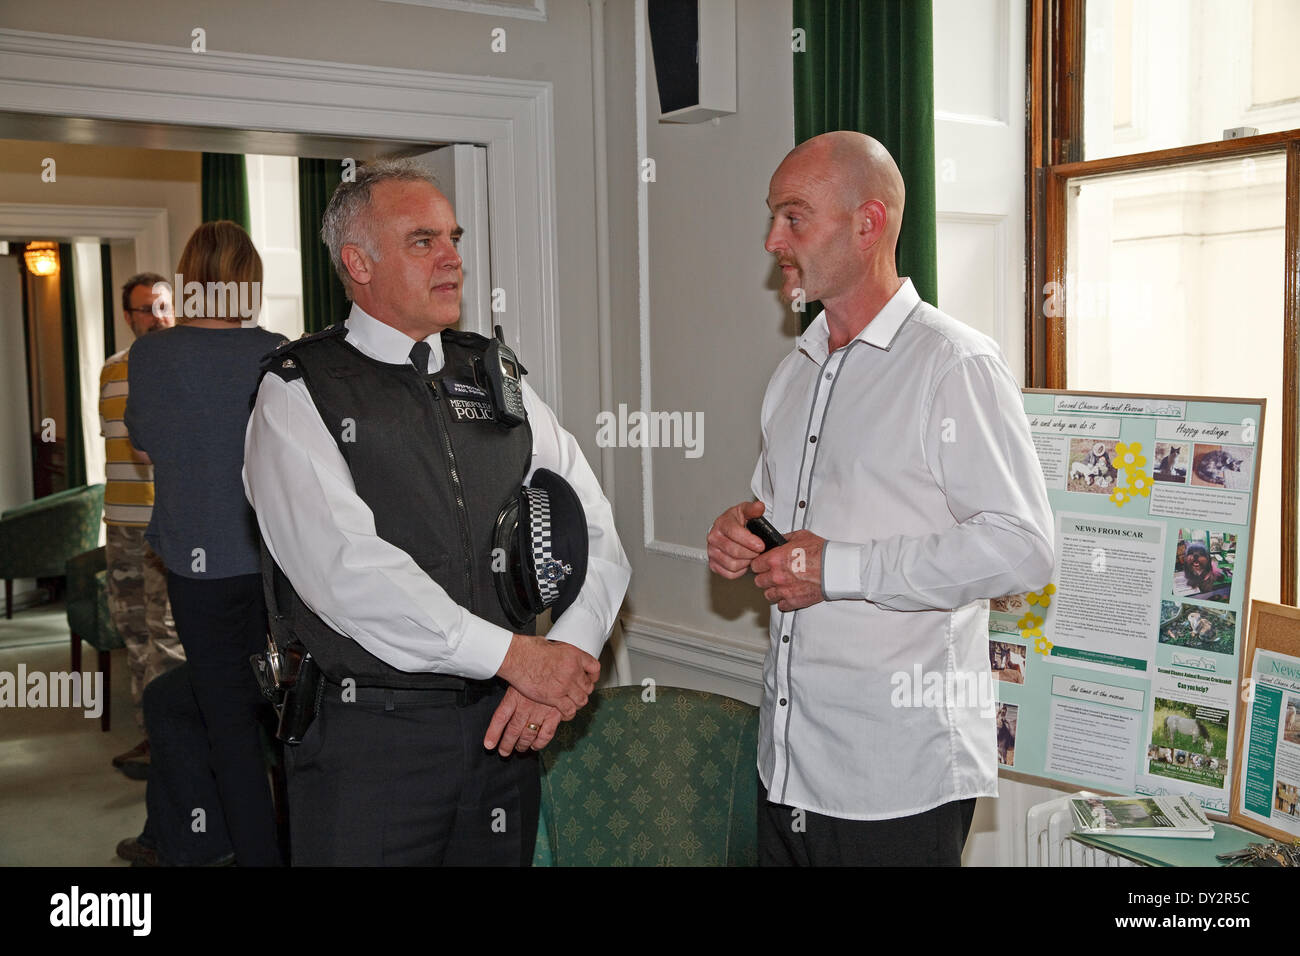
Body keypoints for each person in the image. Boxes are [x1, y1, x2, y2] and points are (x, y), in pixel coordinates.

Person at [243, 159, 630, 866]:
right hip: (373, 742)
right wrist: (519, 658)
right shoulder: (302, 390)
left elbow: (592, 526)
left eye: (451, 237)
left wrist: (571, 648)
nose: (452, 257)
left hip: (506, 730)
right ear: (358, 263)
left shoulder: (493, 374)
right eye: (423, 241)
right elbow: (348, 573)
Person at [706, 131, 1054, 866]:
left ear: (868, 225)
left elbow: (1022, 546)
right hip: (790, 764)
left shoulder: (953, 364)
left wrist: (840, 568)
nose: (773, 239)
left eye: (793, 217)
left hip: (900, 778)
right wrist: (744, 532)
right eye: (772, 217)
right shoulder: (793, 371)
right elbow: (788, 525)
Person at [124, 221, 287, 867]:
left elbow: (143, 447)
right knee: (291, 723)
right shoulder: (278, 350)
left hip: (200, 569)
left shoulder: (153, 353)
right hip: (277, 569)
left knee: (230, 733)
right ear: (248, 278)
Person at [99, 273, 185, 778]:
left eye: (163, 306)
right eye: (145, 310)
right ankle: (152, 738)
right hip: (120, 525)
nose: (157, 317)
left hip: (166, 526)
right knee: (131, 633)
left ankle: (175, 746)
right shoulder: (111, 371)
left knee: (167, 636)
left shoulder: (183, 365)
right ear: (129, 318)